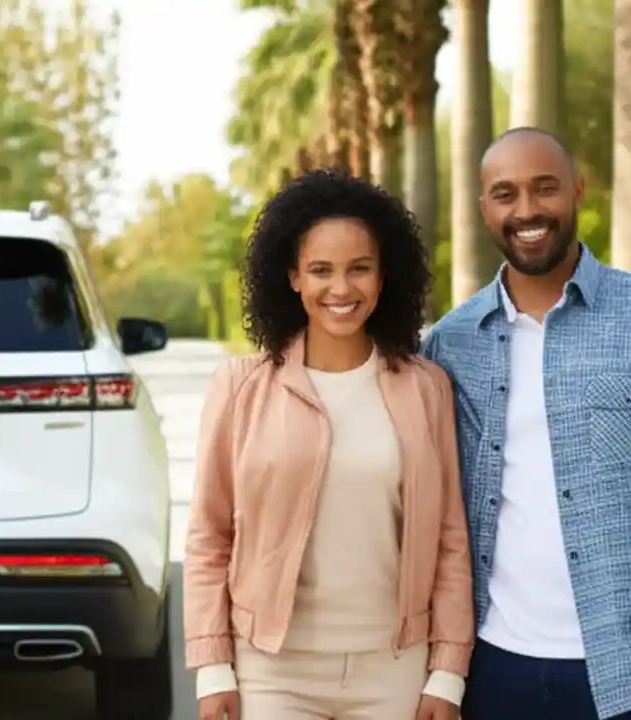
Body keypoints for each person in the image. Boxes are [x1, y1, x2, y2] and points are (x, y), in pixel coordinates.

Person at [421, 126, 631, 719]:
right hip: (491, 671)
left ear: (578, 191)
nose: (527, 210)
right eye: (505, 193)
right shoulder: (450, 343)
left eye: (545, 188)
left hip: (629, 675)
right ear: (484, 207)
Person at [183, 169, 474, 720]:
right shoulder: (241, 387)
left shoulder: (425, 388)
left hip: (395, 669)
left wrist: (447, 673)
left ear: (384, 277)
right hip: (272, 670)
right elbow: (208, 535)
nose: (341, 289)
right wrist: (213, 667)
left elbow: (450, 541)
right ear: (292, 276)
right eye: (321, 270)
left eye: (359, 269)